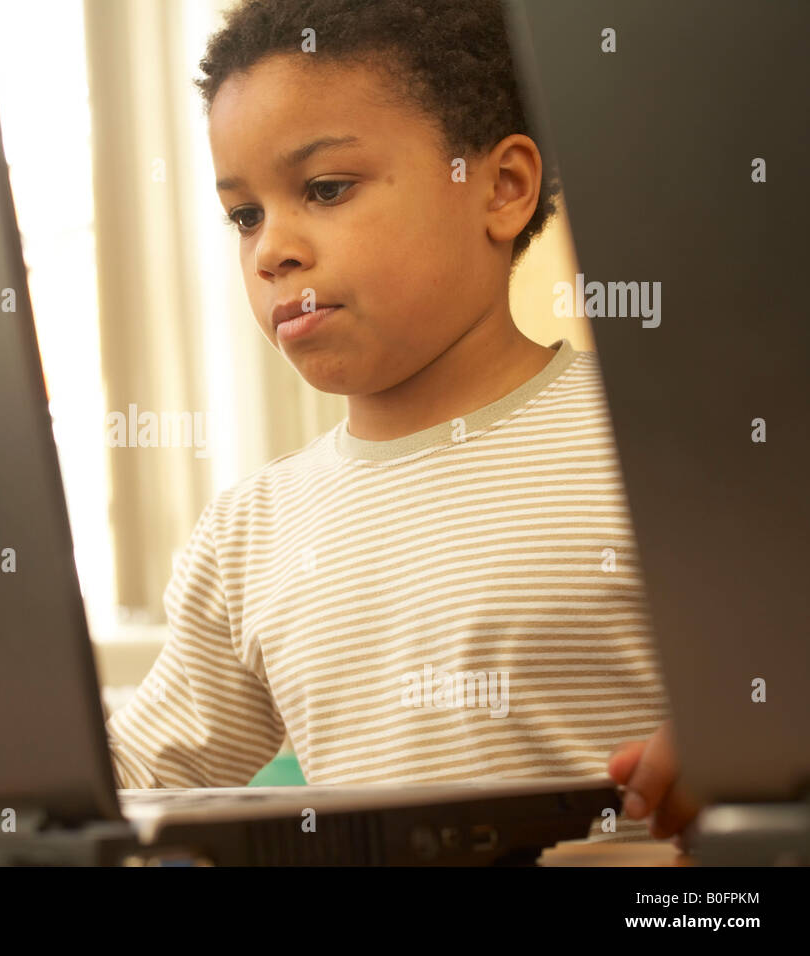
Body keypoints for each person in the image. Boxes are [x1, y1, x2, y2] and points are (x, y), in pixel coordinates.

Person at [105, 0, 698, 840]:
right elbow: (125, 779)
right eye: (245, 214)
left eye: (325, 189)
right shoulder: (250, 533)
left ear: (501, 189)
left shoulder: (665, 449)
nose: (272, 248)